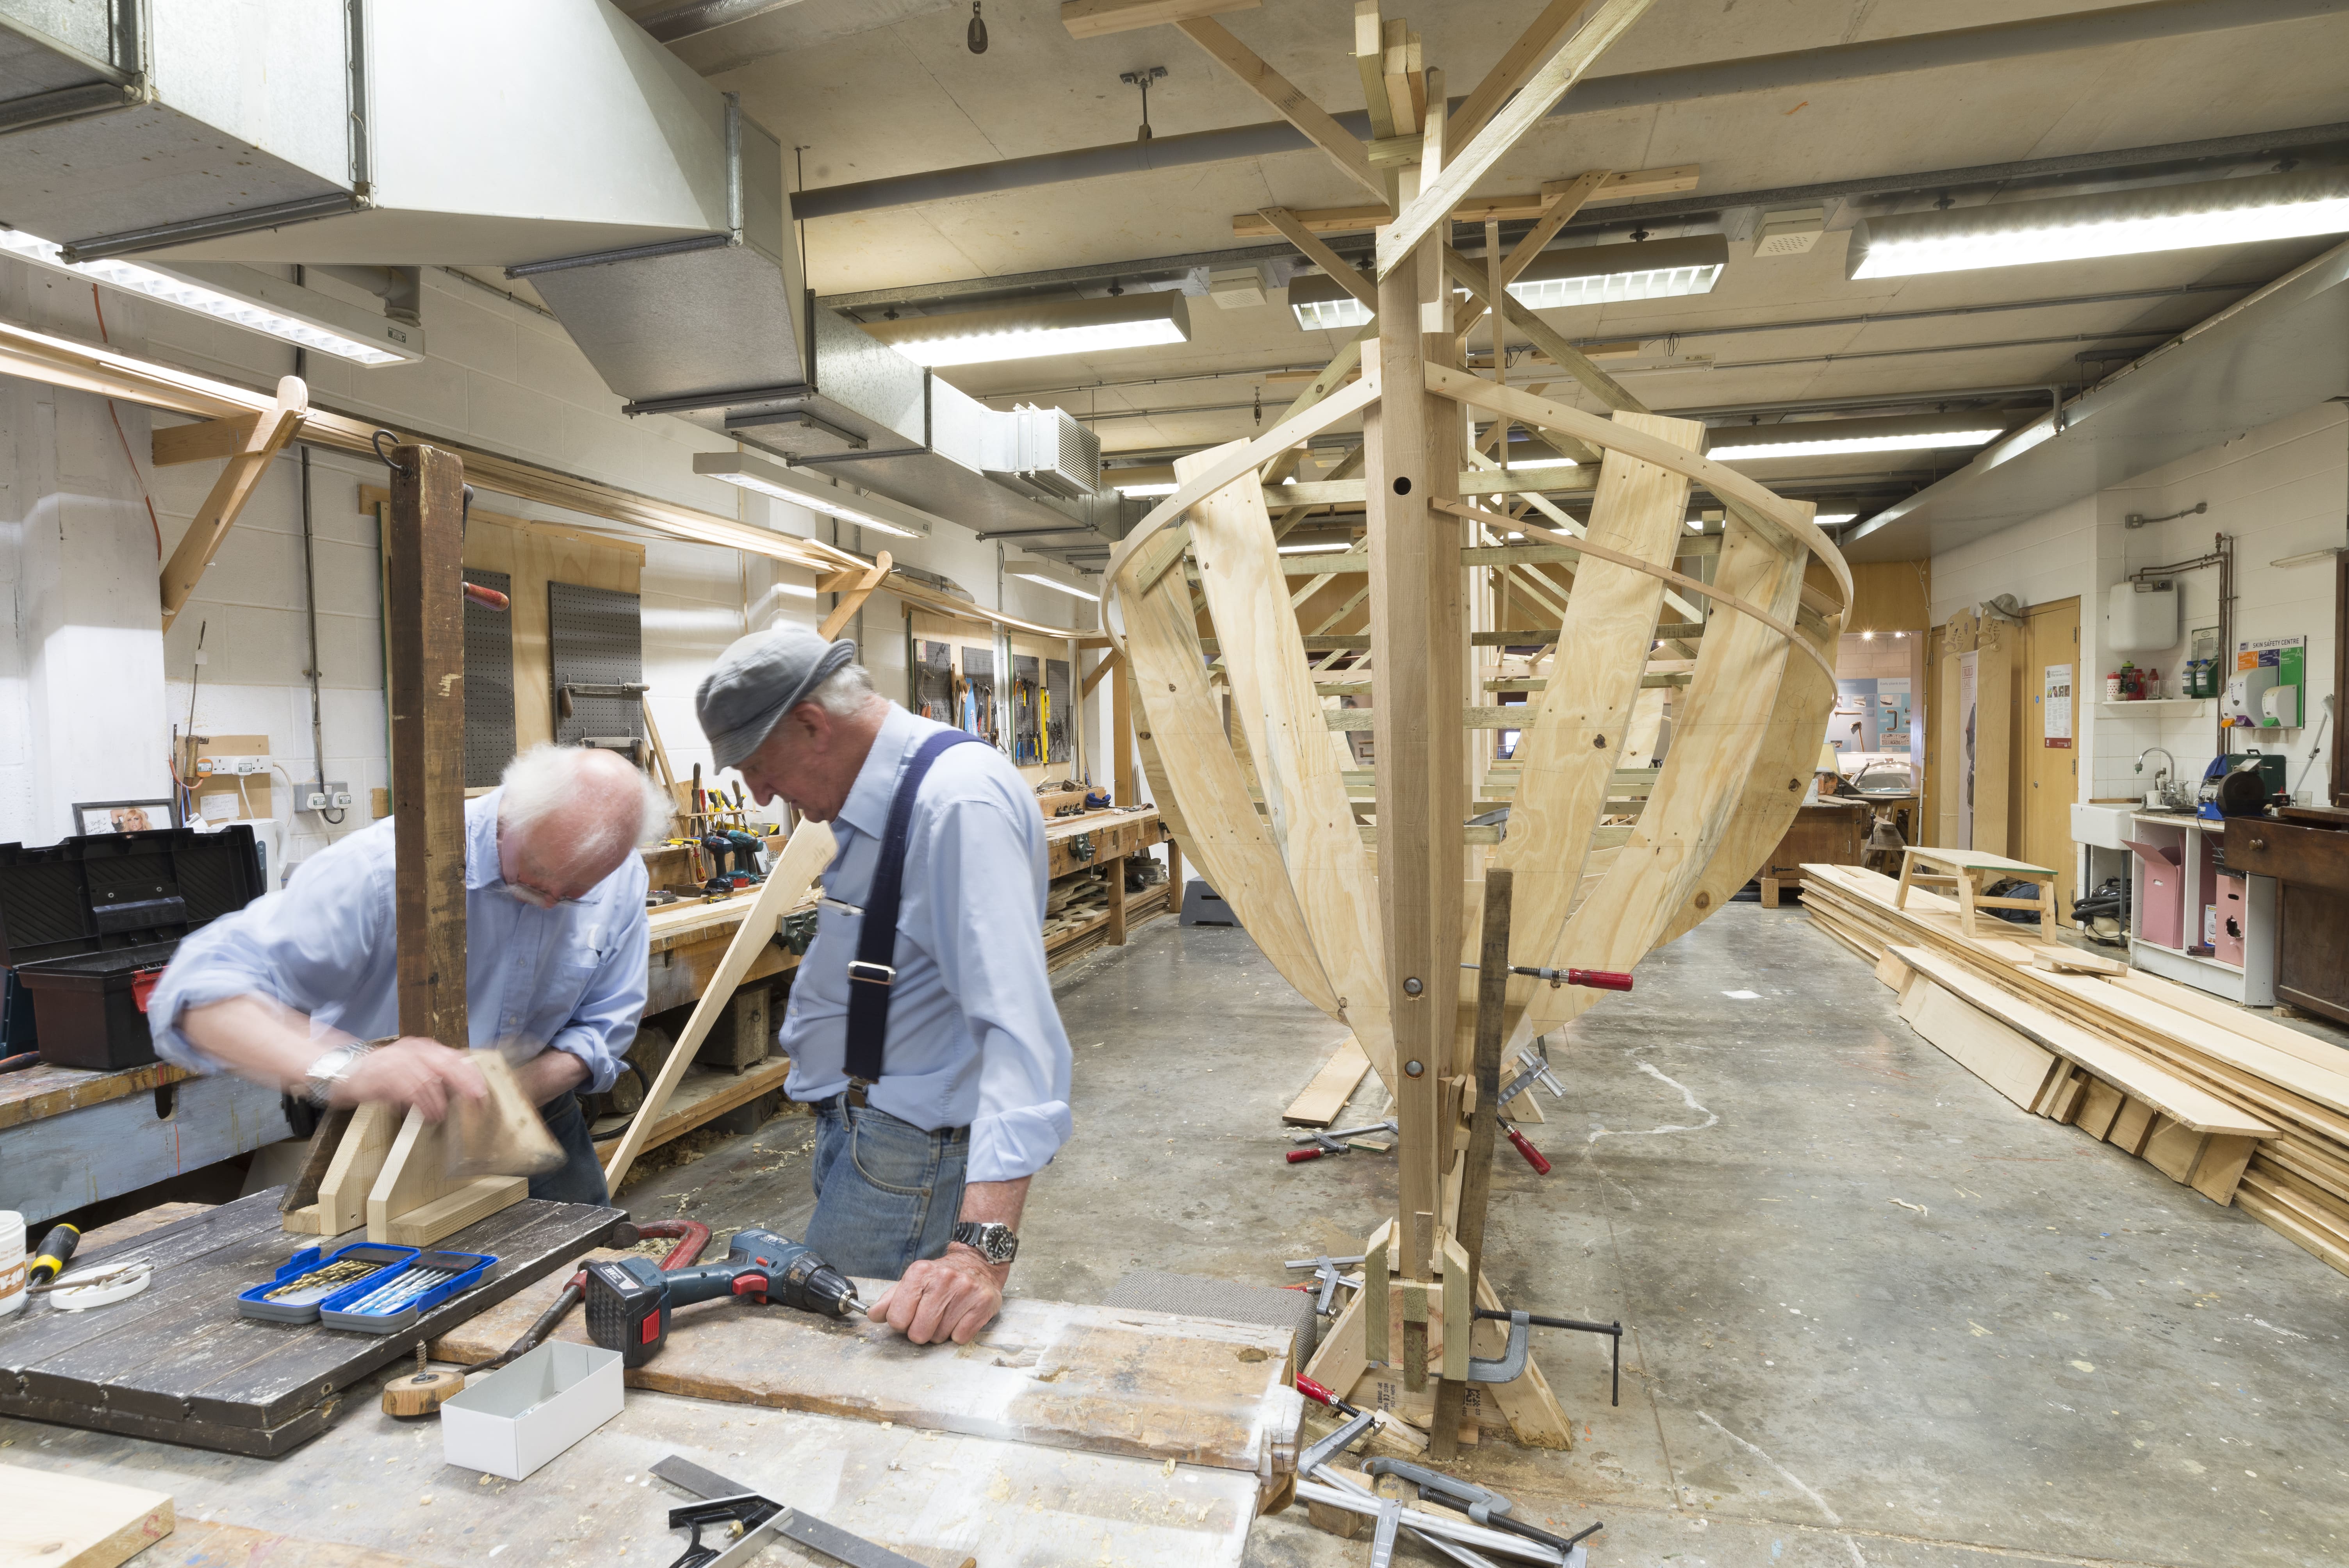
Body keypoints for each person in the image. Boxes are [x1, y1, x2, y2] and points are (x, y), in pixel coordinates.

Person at [696, 624, 1071, 1347]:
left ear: (811, 725)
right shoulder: (896, 796)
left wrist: (978, 1251)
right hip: (873, 1137)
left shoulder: (954, 805)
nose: (761, 791)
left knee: (850, 1357)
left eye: (757, 765)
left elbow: (1019, 1035)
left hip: (910, 1153)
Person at [147, 745, 668, 1205]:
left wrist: (503, 1093)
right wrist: (347, 1069)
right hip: (377, 1134)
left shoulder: (619, 877)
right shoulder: (381, 870)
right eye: (536, 877)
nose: (553, 902)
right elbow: (193, 994)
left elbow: (604, 1025)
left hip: (536, 1122)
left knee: (590, 1282)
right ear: (511, 814)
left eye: (574, 894)